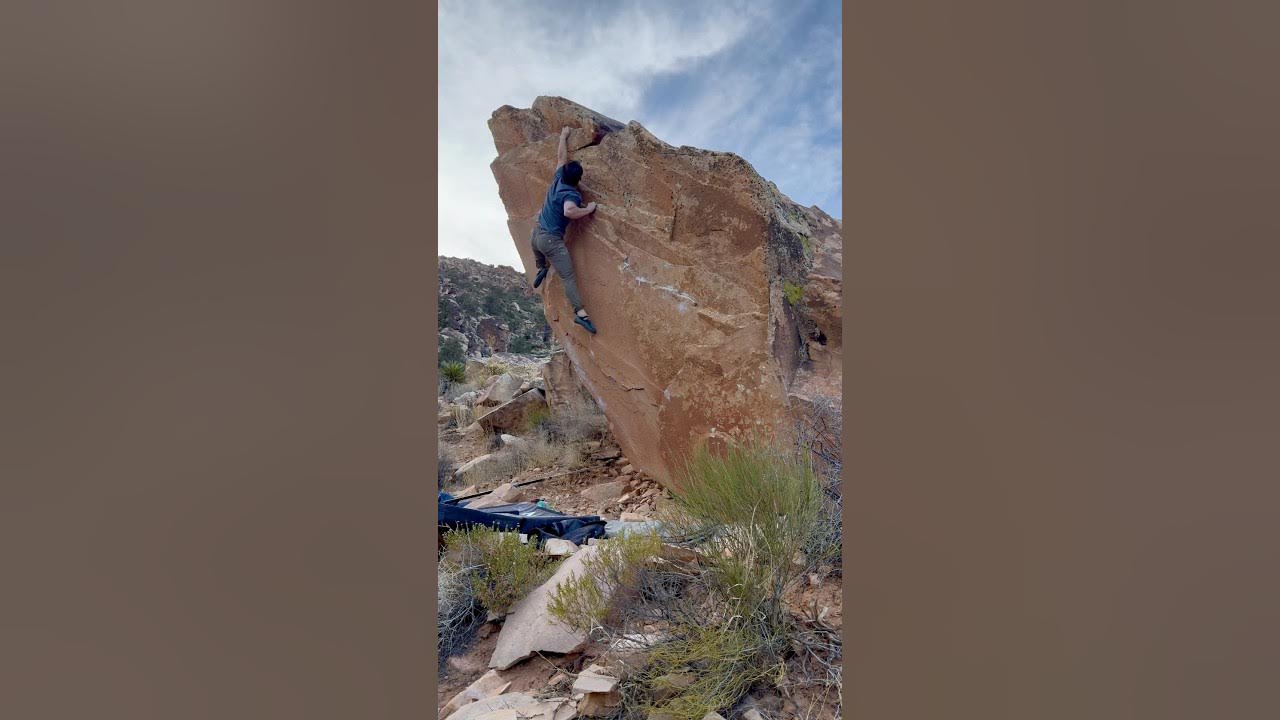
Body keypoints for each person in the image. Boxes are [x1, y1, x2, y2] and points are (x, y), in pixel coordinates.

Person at [530, 126, 598, 334]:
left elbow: (561, 157)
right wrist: (588, 209)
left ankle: (541, 266)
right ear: (578, 180)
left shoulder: (559, 177)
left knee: (536, 243)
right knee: (567, 277)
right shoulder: (571, 194)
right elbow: (569, 211)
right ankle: (581, 315)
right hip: (551, 241)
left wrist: (563, 136)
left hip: (536, 235)